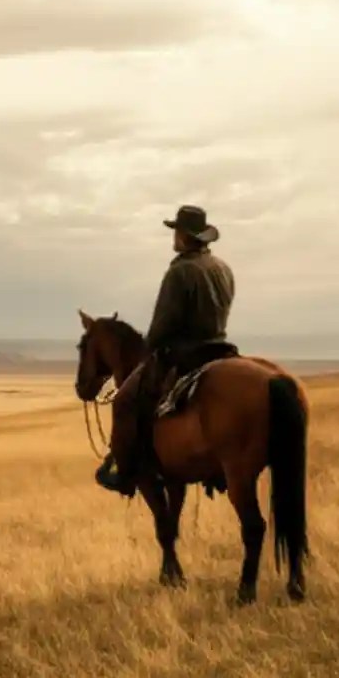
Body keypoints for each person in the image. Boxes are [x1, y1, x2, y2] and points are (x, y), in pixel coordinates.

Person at [95, 205, 237, 496]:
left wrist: (149, 349)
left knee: (123, 401)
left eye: (177, 232)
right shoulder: (223, 268)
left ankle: (123, 470)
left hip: (186, 354)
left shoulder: (180, 271)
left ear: (184, 236)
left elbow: (164, 323)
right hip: (221, 350)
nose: (174, 237)